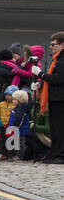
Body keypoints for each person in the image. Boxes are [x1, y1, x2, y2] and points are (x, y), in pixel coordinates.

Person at [36, 32, 64, 164]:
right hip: (55, 98)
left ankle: (61, 154)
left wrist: (41, 74)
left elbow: (58, 79)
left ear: (62, 44)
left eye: (53, 45)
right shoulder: (57, 60)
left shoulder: (62, 60)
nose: (51, 47)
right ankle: (55, 152)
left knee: (60, 128)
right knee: (54, 128)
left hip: (61, 99)